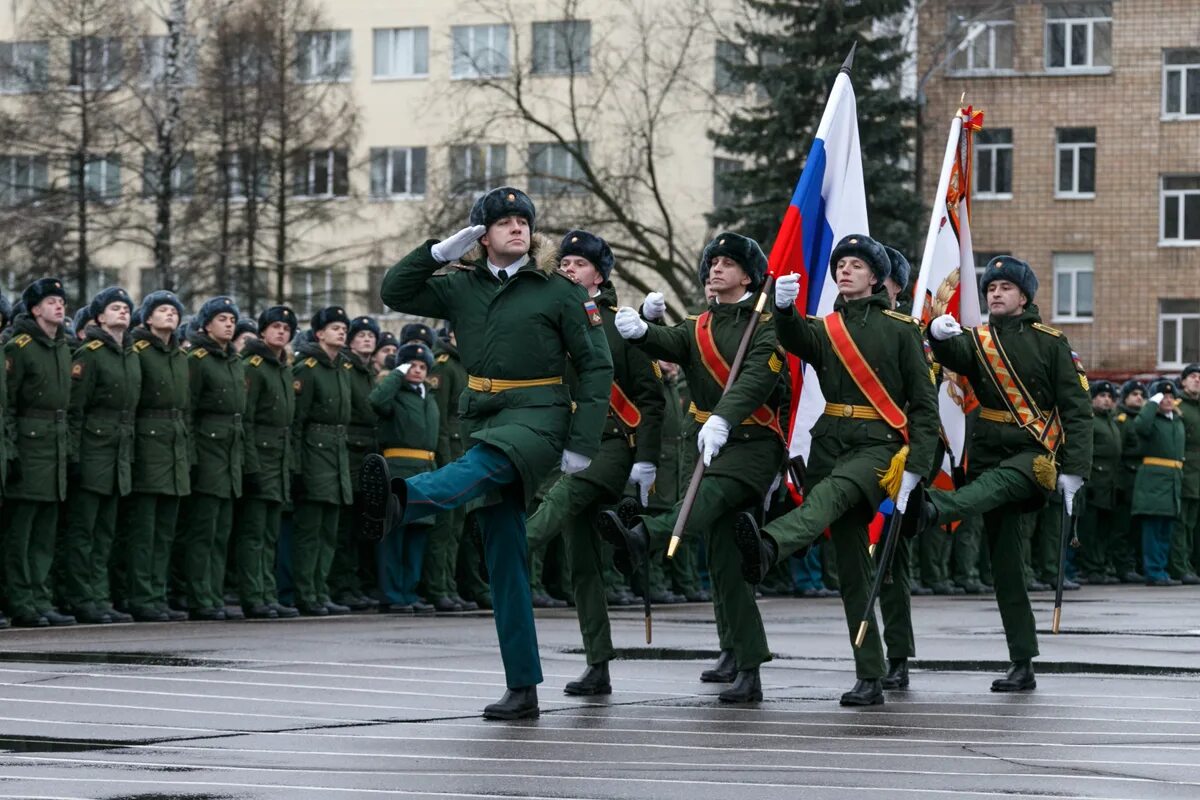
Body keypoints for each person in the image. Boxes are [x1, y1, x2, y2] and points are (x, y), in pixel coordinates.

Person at [358, 186, 613, 720]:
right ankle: (522, 687)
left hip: (541, 416)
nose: (517, 228)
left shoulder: (558, 290)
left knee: (481, 466)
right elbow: (393, 291)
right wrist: (439, 253)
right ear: (482, 235)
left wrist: (583, 441)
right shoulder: (462, 286)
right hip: (484, 415)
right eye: (503, 222)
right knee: (505, 559)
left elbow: (596, 366)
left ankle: (402, 501)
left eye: (523, 220)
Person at [733, 235, 939, 705]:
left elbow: (924, 409)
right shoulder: (825, 327)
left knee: (831, 497)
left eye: (855, 265)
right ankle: (870, 675)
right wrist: (784, 311)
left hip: (877, 448)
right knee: (851, 568)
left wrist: (917, 469)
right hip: (831, 443)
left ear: (875, 277)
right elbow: (794, 339)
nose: (845, 271)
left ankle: (769, 545)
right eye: (840, 264)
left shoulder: (902, 330)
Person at [612, 231, 785, 703]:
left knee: (707, 502)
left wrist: (725, 417)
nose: (715, 269)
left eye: (727, 263)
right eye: (712, 262)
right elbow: (669, 342)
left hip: (751, 444)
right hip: (708, 444)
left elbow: (756, 379)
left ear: (748, 275)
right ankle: (744, 661)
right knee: (726, 563)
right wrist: (640, 329)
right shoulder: (699, 324)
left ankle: (644, 537)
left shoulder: (765, 324)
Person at [916, 256, 1092, 692]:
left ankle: (932, 509)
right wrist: (938, 334)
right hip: (989, 450)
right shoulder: (979, 339)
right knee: (1007, 567)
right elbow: (954, 354)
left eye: (1005, 288)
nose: (995, 293)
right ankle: (1022, 661)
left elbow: (1077, 410)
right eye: (990, 288)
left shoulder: (1050, 343)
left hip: (1034, 458)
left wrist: (1075, 471)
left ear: (1024, 296)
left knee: (989, 488)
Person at [522, 230, 664, 696]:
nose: (567, 270)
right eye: (563, 264)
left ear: (599, 275)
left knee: (558, 504)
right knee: (581, 564)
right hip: (565, 443)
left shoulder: (617, 324)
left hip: (610, 445)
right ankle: (597, 663)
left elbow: (649, 398)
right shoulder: (550, 320)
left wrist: (646, 461)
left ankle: (509, 550)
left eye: (578, 264)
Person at [61, 287, 141, 625]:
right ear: (98, 317)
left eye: (125, 307)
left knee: (105, 531)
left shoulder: (130, 354)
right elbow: (74, 410)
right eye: (115, 307)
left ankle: (98, 595)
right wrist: (74, 456)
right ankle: (79, 597)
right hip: (92, 451)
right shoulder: (89, 354)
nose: (122, 312)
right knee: (83, 531)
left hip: (118, 453)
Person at [4, 278, 75, 627]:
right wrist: (11, 452)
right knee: (22, 530)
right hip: (30, 446)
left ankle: (40, 596)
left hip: (55, 446)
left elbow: (70, 407)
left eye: (61, 301)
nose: (59, 306)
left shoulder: (63, 346)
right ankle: (20, 599)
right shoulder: (19, 347)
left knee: (45, 530)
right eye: (51, 301)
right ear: (35, 309)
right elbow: (9, 405)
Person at [125, 290, 191, 622]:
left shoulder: (180, 355)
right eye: (162, 310)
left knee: (164, 530)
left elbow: (186, 409)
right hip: (148, 448)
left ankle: (156, 593)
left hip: (174, 449)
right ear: (147, 318)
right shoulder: (138, 351)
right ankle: (140, 595)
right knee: (143, 529)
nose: (170, 315)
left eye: (174, 311)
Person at [183, 296, 249, 621]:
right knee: (203, 531)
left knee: (222, 531)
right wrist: (192, 458)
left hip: (230, 453)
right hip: (207, 451)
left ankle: (213, 593)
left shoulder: (234, 360)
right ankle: (200, 595)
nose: (229, 324)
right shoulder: (197, 358)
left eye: (232, 319)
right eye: (222, 318)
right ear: (206, 324)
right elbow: (188, 411)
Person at [236, 306, 300, 619]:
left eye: (286, 328)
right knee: (254, 533)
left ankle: (267, 591)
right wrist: (251, 466)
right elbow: (246, 421)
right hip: (260, 457)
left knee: (270, 534)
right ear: (262, 331)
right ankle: (253, 595)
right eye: (275, 327)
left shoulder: (284, 367)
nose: (281, 332)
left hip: (279, 458)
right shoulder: (255, 366)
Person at [291, 307, 355, 616]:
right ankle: (305, 592)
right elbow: (296, 423)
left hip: (336, 454)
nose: (341, 332)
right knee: (310, 530)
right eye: (334, 328)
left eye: (344, 328)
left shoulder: (342, 367)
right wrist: (297, 467)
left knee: (329, 530)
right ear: (319, 334)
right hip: (314, 453)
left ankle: (320, 589)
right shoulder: (308, 368)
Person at [372, 342, 440, 613]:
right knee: (395, 535)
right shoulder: (394, 393)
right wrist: (396, 374)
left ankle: (409, 592)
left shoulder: (429, 397)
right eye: (412, 365)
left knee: (417, 535)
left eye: (423, 366)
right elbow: (376, 401)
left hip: (426, 469)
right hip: (398, 467)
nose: (418, 370)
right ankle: (391, 594)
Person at [330, 315, 382, 611]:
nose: (366, 339)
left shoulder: (369, 371)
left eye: (370, 336)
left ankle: (356, 584)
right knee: (345, 526)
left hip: (367, 452)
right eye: (360, 335)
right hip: (348, 449)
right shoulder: (348, 369)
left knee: (362, 525)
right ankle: (342, 585)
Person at [424, 324, 477, 612]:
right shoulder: (444, 365)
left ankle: (450, 586)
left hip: (465, 456)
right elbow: (440, 420)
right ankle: (437, 587)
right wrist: (445, 464)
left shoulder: (469, 364)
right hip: (449, 459)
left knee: (456, 528)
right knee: (443, 529)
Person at [1133, 378, 1185, 586]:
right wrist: (1152, 404)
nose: (1168, 400)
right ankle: (1154, 571)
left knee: (1165, 531)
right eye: (1163, 397)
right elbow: (1140, 426)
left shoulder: (1176, 421)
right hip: (1154, 483)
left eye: (1172, 397)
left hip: (1172, 481)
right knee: (1153, 531)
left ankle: (1162, 569)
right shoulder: (1151, 420)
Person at [1076, 380, 1122, 585]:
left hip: (1109, 483)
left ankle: (1100, 565)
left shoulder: (1110, 420)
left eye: (1110, 397)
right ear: (1093, 398)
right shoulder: (1091, 420)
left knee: (1104, 529)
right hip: (1094, 482)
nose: (1106, 400)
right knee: (1090, 530)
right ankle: (1090, 568)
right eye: (1102, 396)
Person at [1112, 380, 1147, 582]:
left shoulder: (1145, 418)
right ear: (1125, 397)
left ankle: (1136, 564)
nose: (1139, 397)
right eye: (1134, 393)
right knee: (1123, 528)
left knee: (1137, 528)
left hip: (1142, 481)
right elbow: (1118, 451)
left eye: (1141, 394)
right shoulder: (1122, 420)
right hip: (1126, 479)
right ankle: (1123, 566)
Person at [1172, 364, 1200, 584]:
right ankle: (1180, 566)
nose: (1197, 380)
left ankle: (1192, 564)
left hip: (1197, 472)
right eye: (1192, 376)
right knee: (1182, 523)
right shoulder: (1177, 406)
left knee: (1193, 523)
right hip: (1184, 470)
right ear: (1182, 381)